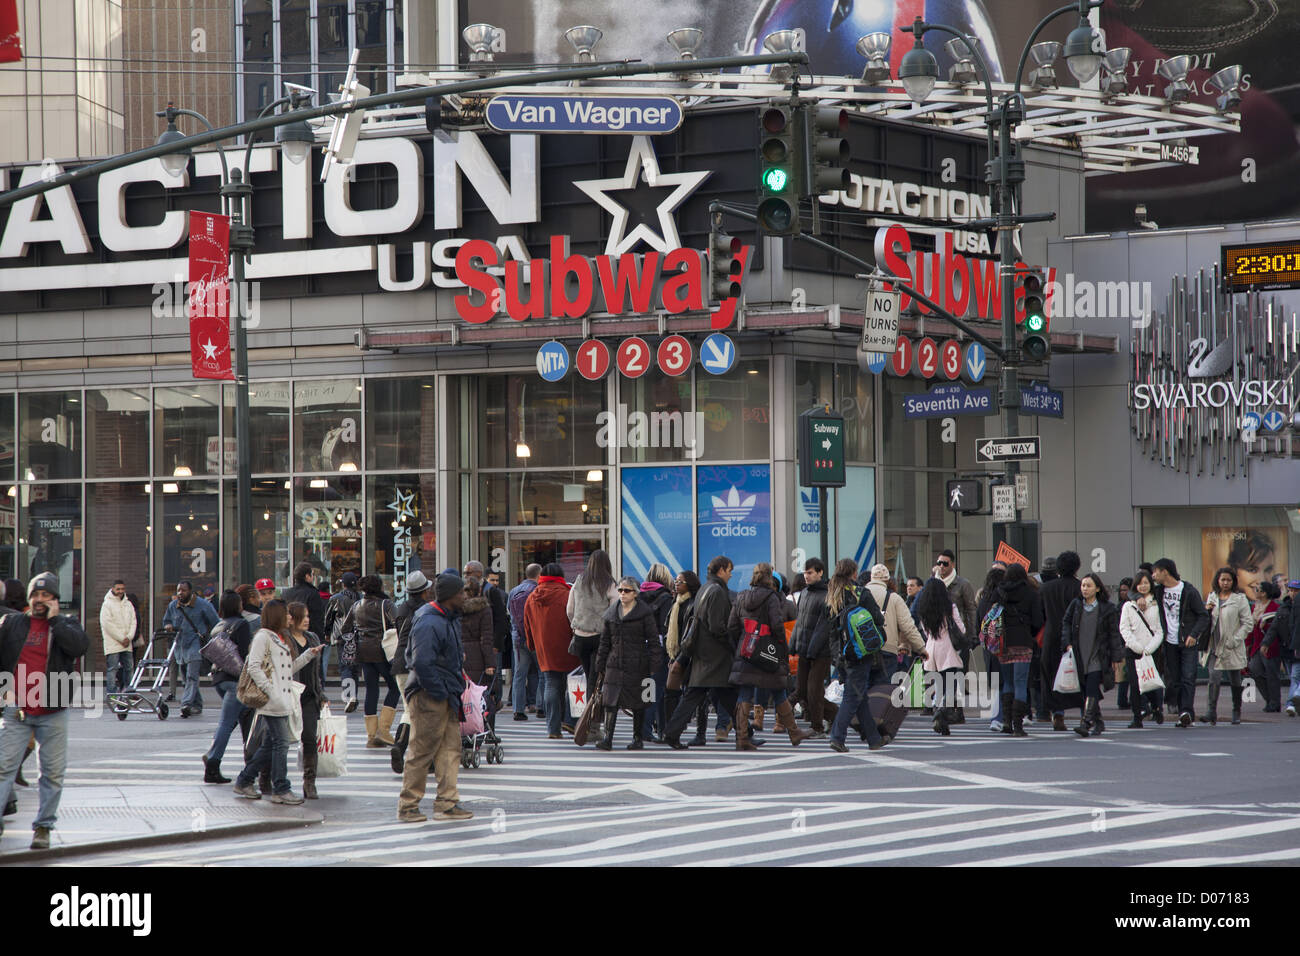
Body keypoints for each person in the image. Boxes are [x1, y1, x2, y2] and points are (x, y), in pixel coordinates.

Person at [0, 573, 90, 849]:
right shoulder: (12, 623)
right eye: (35, 595)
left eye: (46, 595)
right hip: (17, 710)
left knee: (51, 773)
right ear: (29, 598)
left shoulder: (66, 625)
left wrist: (54, 621)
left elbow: (79, 647)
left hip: (53, 710)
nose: (39, 600)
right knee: (3, 768)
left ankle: (44, 826)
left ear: (55, 600)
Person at [398, 573, 473, 823]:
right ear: (451, 596)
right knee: (422, 751)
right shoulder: (431, 622)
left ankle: (447, 802)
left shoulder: (446, 617)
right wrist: (440, 690)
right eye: (461, 592)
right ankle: (408, 805)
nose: (464, 596)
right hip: (430, 695)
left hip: (445, 693)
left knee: (450, 749)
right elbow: (420, 662)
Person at [232, 599, 322, 805]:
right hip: (273, 702)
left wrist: (309, 654)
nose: (290, 617)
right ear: (277, 615)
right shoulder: (263, 637)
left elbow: (288, 669)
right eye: (286, 614)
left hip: (281, 700)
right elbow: (253, 667)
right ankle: (281, 788)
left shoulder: (276, 637)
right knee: (280, 743)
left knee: (272, 744)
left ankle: (245, 780)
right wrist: (270, 691)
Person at [726, 562, 809, 751]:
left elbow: (731, 626)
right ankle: (794, 732)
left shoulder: (741, 596)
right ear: (769, 577)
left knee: (745, 693)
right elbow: (777, 626)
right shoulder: (771, 597)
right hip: (767, 651)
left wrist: (742, 642)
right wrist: (781, 646)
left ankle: (742, 738)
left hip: (746, 650)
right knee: (779, 691)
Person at [664, 556, 740, 750]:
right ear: (721, 570)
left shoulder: (705, 589)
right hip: (715, 656)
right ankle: (671, 733)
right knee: (697, 696)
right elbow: (716, 626)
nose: (731, 574)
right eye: (730, 570)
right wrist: (731, 644)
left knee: (726, 696)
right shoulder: (716, 591)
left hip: (704, 654)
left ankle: (745, 734)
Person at [594, 576, 665, 750]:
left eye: (627, 590)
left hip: (638, 664)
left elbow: (654, 640)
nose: (622, 594)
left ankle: (637, 738)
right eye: (620, 590)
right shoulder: (611, 613)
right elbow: (604, 642)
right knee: (610, 701)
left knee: (638, 703)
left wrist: (655, 664)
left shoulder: (644, 613)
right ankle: (607, 739)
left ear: (635, 593)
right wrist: (600, 664)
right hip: (614, 664)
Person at [825, 559, 888, 752]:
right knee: (853, 696)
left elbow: (830, 629)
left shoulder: (832, 596)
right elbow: (878, 618)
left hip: (841, 652)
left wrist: (835, 655)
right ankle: (837, 737)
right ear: (854, 573)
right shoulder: (861, 593)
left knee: (859, 695)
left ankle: (873, 738)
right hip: (861, 651)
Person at [1061, 574, 1124, 736]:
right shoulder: (1076, 605)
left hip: (1098, 654)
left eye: (1088, 586)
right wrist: (1066, 642)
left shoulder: (1107, 608)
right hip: (1078, 653)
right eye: (1083, 585)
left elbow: (1114, 633)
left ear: (1097, 588)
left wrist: (1116, 656)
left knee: (1091, 687)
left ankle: (1086, 722)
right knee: (1085, 689)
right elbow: (1066, 623)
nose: (1085, 589)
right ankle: (1099, 722)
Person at [202, 590, 255, 783]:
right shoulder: (242, 625)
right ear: (237, 605)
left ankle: (249, 762)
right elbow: (243, 655)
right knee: (227, 723)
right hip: (235, 680)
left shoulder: (218, 626)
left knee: (237, 719)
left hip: (219, 679)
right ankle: (213, 763)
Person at [1151, 558, 1211, 728]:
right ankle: (1180, 712)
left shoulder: (1188, 591)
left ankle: (1186, 712)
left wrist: (1193, 634)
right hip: (1168, 642)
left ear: (1166, 571)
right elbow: (1135, 591)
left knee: (1188, 677)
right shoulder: (1158, 591)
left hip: (1187, 643)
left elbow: (1203, 615)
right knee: (1174, 679)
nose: (1153, 575)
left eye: (1156, 571)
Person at [342, 575, 399, 748]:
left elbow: (345, 628)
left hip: (363, 652)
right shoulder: (386, 604)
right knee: (394, 687)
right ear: (380, 587)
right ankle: (384, 729)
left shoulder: (356, 605)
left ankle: (371, 736)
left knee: (371, 690)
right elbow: (399, 622)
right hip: (383, 650)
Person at [523, 563, 578, 739]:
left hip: (544, 648)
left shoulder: (532, 597)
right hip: (568, 646)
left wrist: (532, 645)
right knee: (574, 685)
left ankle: (553, 729)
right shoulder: (567, 594)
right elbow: (573, 620)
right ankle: (571, 721)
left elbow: (527, 625)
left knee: (551, 684)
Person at [991, 563, 1044, 737]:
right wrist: (1030, 634)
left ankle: (1006, 721)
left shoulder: (999, 592)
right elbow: (1038, 620)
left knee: (1008, 682)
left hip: (1004, 642)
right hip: (1023, 641)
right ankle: (1018, 725)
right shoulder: (1031, 593)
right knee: (1021, 682)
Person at [389, 571, 431, 774]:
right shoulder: (426, 610)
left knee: (409, 708)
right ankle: (416, 753)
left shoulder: (401, 608)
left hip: (399, 662)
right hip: (417, 662)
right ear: (424, 591)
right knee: (422, 710)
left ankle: (400, 745)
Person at [790, 558, 835, 736]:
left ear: (820, 572)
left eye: (810, 572)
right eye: (805, 572)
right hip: (805, 649)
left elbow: (824, 627)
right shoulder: (804, 593)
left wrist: (812, 650)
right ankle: (837, 716)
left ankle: (817, 727)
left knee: (814, 691)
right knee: (802, 690)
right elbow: (799, 623)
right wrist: (793, 645)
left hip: (820, 652)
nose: (806, 576)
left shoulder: (828, 595)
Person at [162, 579, 219, 718]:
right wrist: (168, 626)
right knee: (185, 679)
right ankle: (197, 705)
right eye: (178, 591)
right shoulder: (173, 606)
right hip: (180, 647)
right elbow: (166, 621)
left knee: (192, 676)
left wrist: (210, 640)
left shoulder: (203, 605)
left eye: (184, 590)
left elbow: (216, 623)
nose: (180, 593)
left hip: (196, 645)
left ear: (191, 591)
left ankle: (186, 704)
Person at [1202, 567, 1252, 726]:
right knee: (1213, 678)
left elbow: (1248, 623)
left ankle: (1236, 710)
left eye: (1228, 580)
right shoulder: (1212, 597)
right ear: (1217, 580)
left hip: (1232, 646)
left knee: (1235, 680)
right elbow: (1206, 621)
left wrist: (1235, 639)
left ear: (1233, 582)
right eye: (1222, 579)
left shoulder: (1239, 599)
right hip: (1214, 645)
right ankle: (1211, 712)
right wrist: (1207, 611)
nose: (1225, 583)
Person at [285, 601, 324, 799]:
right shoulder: (284, 639)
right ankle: (270, 777)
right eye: (303, 616)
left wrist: (321, 694)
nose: (307, 620)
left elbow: (318, 671)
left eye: (308, 616)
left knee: (309, 738)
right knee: (280, 741)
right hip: (289, 696)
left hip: (310, 696)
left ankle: (310, 782)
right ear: (291, 619)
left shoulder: (312, 637)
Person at [566, 550, 618, 701]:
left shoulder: (579, 581)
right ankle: (590, 718)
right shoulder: (609, 584)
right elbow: (614, 614)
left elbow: (569, 609)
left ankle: (588, 716)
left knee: (589, 674)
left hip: (580, 636)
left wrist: (575, 626)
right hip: (600, 637)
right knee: (595, 679)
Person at [1040, 551, 1083, 731]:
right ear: (1077, 567)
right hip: (1076, 637)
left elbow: (1040, 615)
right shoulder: (1081, 587)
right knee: (1080, 675)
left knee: (1052, 675)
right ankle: (1084, 714)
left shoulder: (1045, 588)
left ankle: (1057, 713)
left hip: (1051, 636)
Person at [664, 570, 708, 745]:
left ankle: (700, 733)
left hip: (690, 656)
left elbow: (691, 634)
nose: (676, 584)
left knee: (697, 696)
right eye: (675, 581)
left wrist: (681, 657)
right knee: (671, 692)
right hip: (676, 654)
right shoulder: (676, 603)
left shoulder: (693, 603)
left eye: (680, 581)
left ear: (689, 584)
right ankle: (670, 729)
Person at [865, 564, 927, 684]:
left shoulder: (859, 594)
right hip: (887, 649)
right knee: (883, 692)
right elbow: (908, 626)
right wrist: (921, 648)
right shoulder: (894, 598)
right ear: (887, 580)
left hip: (863, 650)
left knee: (863, 691)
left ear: (871, 578)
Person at [1118, 570, 1164, 728]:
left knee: (1151, 680)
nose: (1143, 586)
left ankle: (1157, 707)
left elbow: (1159, 630)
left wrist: (1149, 648)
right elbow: (1124, 629)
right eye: (1140, 583)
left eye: (1146, 583)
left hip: (1152, 650)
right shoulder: (1128, 606)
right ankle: (1137, 716)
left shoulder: (1156, 605)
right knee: (1135, 684)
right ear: (1135, 586)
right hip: (1133, 650)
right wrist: (1136, 647)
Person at [462, 560, 509, 708]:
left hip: (489, 641)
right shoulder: (463, 591)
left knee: (490, 680)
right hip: (472, 645)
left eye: (469, 573)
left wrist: (496, 643)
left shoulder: (491, 591)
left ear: (479, 573)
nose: (466, 576)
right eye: (465, 573)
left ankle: (494, 703)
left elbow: (501, 619)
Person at [637, 563, 674, 742]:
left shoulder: (638, 595)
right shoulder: (666, 597)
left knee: (647, 688)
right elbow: (666, 627)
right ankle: (655, 730)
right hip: (658, 649)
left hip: (640, 647)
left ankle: (647, 729)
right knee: (659, 690)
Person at [975, 564, 1008, 732]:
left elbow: (977, 626)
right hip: (1005, 646)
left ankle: (997, 717)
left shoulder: (983, 601)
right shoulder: (1006, 599)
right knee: (1007, 683)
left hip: (989, 647)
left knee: (996, 685)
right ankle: (1001, 717)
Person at [323, 572, 361, 711]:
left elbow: (328, 618)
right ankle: (354, 696)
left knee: (345, 667)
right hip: (358, 637)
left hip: (342, 637)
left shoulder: (336, 598)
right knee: (355, 668)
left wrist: (327, 634)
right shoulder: (360, 598)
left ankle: (349, 696)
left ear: (343, 584)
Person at [508, 564, 542, 720]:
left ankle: (518, 710)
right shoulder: (538, 591)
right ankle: (541, 707)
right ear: (539, 575)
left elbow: (510, 613)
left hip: (518, 639)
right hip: (536, 638)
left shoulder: (514, 591)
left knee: (519, 676)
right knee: (542, 674)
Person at [1247, 580, 1283, 712]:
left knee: (1272, 673)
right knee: (1255, 670)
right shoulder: (1254, 607)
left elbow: (1276, 627)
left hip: (1270, 645)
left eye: (1257, 590)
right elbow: (1250, 628)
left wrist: (1266, 626)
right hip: (1256, 645)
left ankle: (1275, 703)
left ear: (1264, 593)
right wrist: (1247, 645)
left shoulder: (1274, 607)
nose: (1255, 592)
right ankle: (1269, 699)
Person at [99, 579, 136, 697]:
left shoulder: (128, 604)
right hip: (113, 643)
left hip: (127, 643)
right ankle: (112, 693)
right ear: (113, 589)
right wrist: (121, 638)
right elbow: (107, 624)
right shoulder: (107, 604)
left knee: (129, 668)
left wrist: (129, 637)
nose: (120, 591)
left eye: (122, 589)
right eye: (118, 589)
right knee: (112, 669)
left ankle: (129, 691)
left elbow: (133, 622)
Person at [283, 562, 327, 648]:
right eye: (312, 574)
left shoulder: (286, 593)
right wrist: (320, 639)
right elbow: (317, 619)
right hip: (307, 637)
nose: (314, 577)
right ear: (307, 576)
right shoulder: (313, 593)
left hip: (289, 635)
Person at [1276, 579, 1299, 717]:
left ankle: (1291, 703)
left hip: (1297, 648)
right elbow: (1275, 627)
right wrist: (1266, 643)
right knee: (1293, 677)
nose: (1293, 593)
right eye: (1291, 590)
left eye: (1296, 590)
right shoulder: (1284, 607)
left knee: (1295, 677)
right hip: (1287, 649)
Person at [1115, 577, 1135, 710]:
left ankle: (1128, 700)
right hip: (1122, 643)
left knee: (1129, 674)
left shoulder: (1131, 605)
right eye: (1121, 590)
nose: (1123, 593)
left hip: (1131, 642)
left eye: (1126, 590)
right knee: (1123, 674)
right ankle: (1122, 700)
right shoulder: (1119, 607)